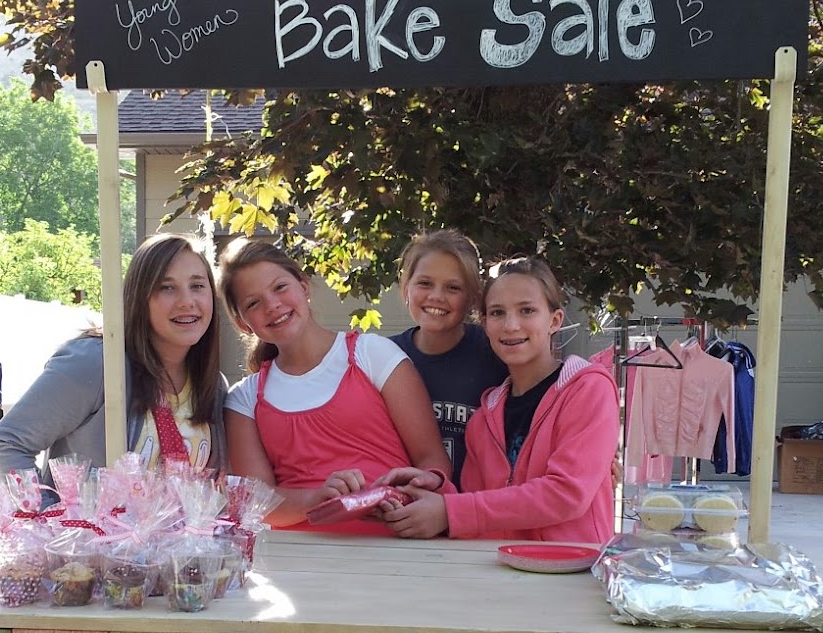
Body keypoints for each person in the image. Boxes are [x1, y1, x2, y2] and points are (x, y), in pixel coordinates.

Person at [219, 237, 452, 532]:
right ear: (242, 323)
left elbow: (432, 461)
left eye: (280, 287)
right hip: (302, 563)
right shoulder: (244, 399)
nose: (273, 305)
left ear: (303, 287)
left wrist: (409, 493)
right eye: (253, 303)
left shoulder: (373, 354)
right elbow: (255, 502)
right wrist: (319, 498)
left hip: (395, 549)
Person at [381, 256, 620, 543]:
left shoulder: (587, 389)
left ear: (554, 320)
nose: (511, 325)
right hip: (499, 574)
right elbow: (476, 503)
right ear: (485, 324)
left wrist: (449, 511)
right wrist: (434, 488)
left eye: (527, 310)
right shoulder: (483, 419)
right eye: (497, 313)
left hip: (570, 573)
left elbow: (567, 493)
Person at [0, 233, 227, 481]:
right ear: (139, 297)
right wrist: (50, 516)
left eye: (197, 285)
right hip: (85, 520)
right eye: (167, 287)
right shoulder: (96, 363)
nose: (187, 301)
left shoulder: (213, 385)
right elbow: (8, 443)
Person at [393, 229, 508, 487]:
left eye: (453, 287)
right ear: (406, 287)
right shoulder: (384, 358)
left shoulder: (497, 352)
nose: (436, 296)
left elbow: (551, 397)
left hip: (479, 513)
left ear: (472, 298)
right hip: (405, 513)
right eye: (425, 283)